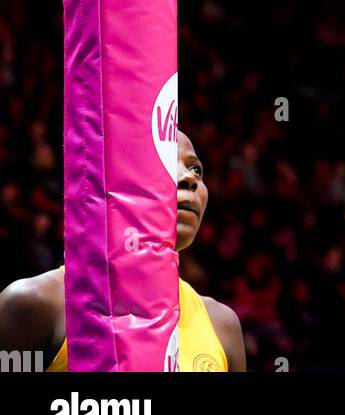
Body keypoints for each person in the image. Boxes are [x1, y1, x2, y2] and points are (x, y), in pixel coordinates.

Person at [0, 130, 245, 372]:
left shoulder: (222, 326)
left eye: (196, 169)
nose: (189, 179)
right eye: (165, 161)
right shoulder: (37, 305)